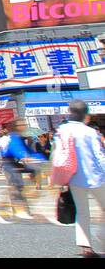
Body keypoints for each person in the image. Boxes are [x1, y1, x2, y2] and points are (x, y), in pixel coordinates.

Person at [54, 100, 105, 257]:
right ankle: (102, 236)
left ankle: (86, 248)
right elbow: (99, 156)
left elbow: (57, 155)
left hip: (73, 177)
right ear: (86, 115)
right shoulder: (89, 132)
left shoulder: (61, 130)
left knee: (82, 212)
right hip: (95, 177)